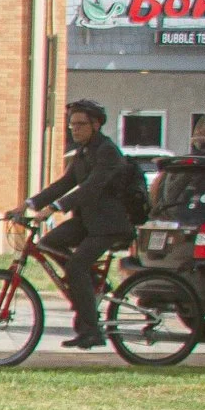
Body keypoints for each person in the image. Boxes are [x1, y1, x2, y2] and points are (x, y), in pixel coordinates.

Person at [20, 99, 135, 349]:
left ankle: (92, 330)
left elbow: (90, 188)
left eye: (81, 124)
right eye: (71, 125)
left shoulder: (107, 151)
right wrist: (29, 204)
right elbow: (64, 183)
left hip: (109, 224)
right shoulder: (84, 151)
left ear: (96, 125)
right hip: (88, 222)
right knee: (48, 243)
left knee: (75, 267)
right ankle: (93, 284)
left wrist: (55, 208)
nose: (75, 129)